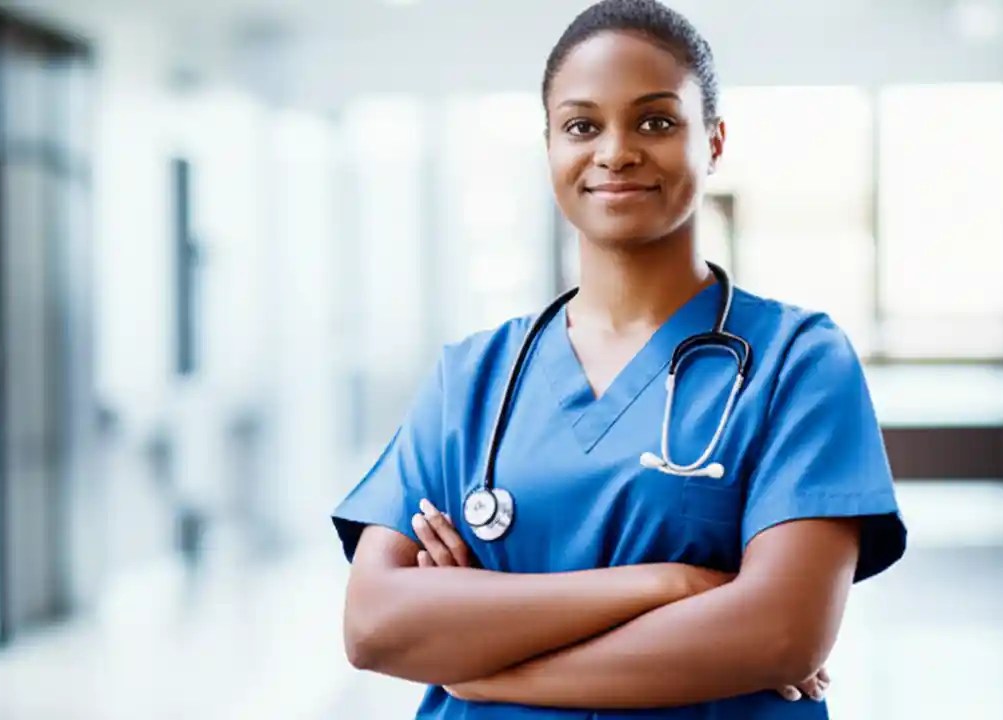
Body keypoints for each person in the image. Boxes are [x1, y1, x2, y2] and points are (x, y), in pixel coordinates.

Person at [330, 0, 907, 717]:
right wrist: (670, 585)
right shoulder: (473, 378)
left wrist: (484, 662)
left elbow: (782, 632)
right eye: (581, 126)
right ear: (549, 149)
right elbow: (375, 623)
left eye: (657, 121)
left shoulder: (798, 362)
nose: (616, 151)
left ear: (715, 141)